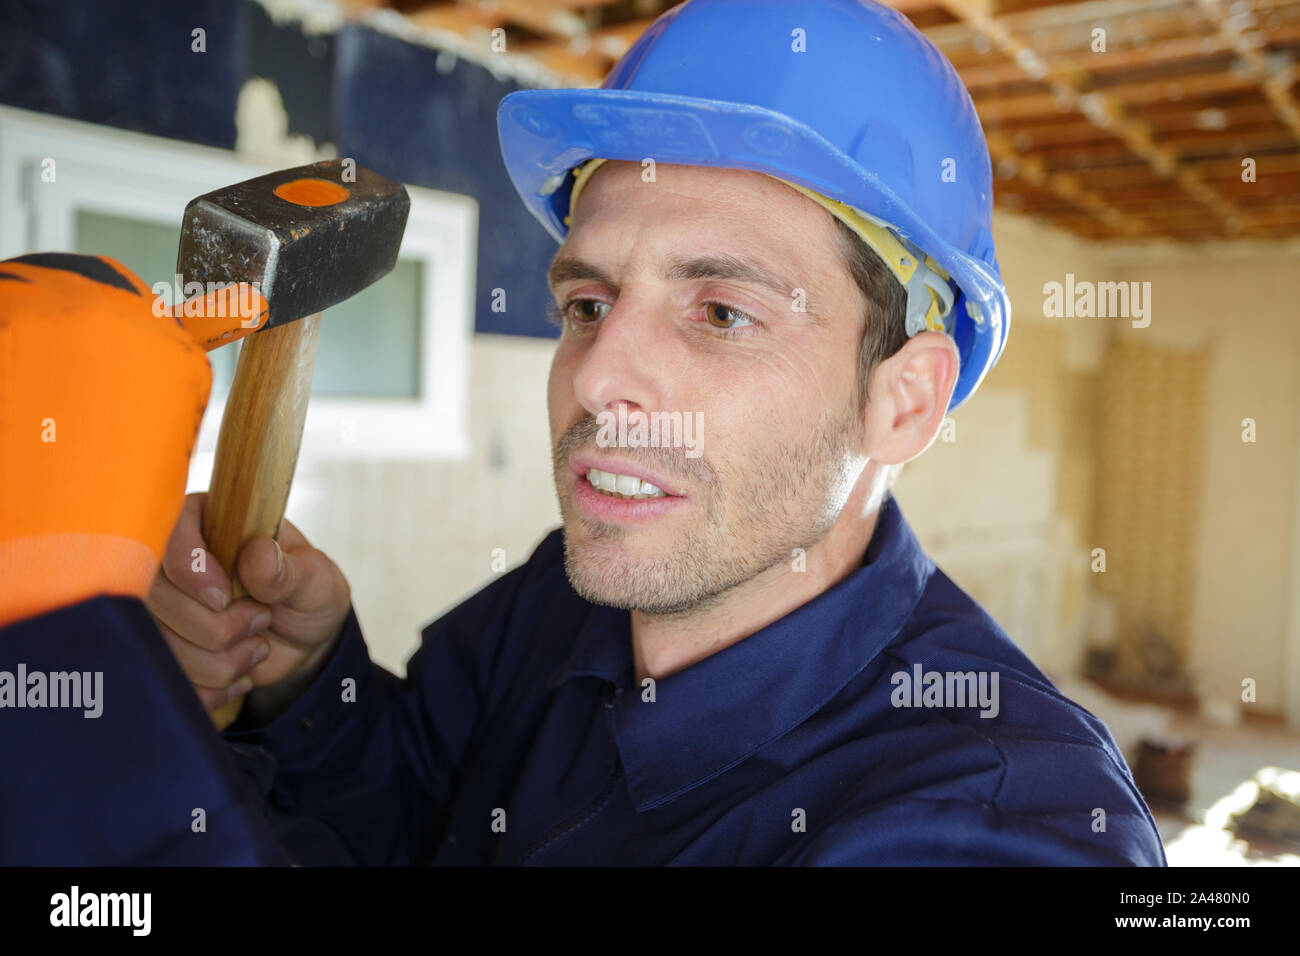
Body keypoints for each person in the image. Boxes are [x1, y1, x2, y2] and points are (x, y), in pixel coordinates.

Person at [1, 0, 1165, 865]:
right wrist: (306, 685)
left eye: (721, 311)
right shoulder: (575, 605)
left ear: (901, 399)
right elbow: (411, 815)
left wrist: (51, 635)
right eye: (589, 302)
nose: (598, 373)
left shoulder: (1005, 822)